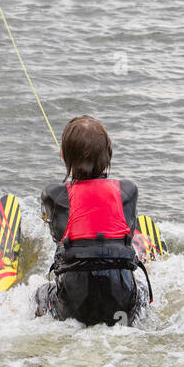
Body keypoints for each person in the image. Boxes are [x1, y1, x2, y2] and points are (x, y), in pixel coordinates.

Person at [34, 115, 152, 327]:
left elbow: (58, 237)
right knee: (143, 291)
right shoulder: (128, 191)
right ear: (110, 153)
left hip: (73, 308)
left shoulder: (53, 195)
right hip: (122, 305)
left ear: (63, 156)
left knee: (39, 292)